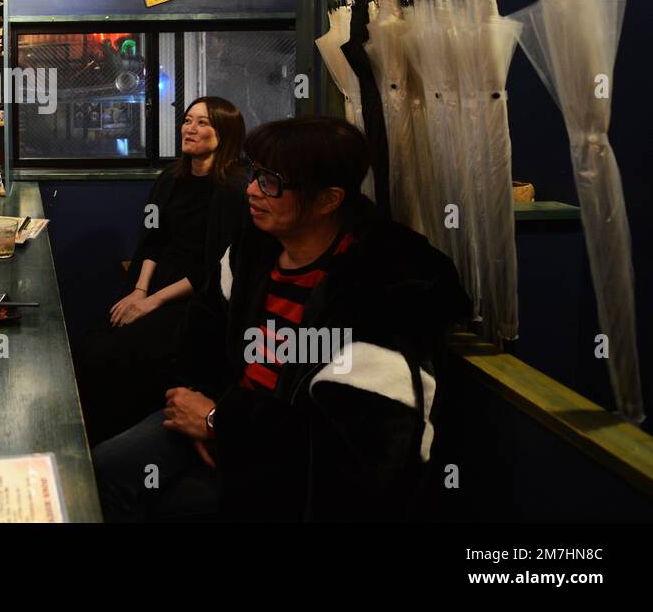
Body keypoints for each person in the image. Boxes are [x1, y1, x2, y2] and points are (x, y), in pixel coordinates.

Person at [94, 116, 469, 522]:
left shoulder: (378, 289)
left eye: (271, 181)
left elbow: (357, 453)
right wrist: (195, 402)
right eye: (255, 172)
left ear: (328, 200)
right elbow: (199, 342)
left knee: (176, 503)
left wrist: (221, 426)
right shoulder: (251, 253)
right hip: (226, 416)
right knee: (101, 467)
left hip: (293, 468)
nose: (252, 189)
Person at [74, 96, 247, 445]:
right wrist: (139, 291)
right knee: (89, 343)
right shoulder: (172, 177)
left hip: (197, 299)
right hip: (156, 283)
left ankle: (109, 445)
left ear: (224, 134)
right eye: (187, 120)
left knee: (112, 356)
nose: (190, 129)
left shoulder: (233, 190)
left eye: (202, 123)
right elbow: (152, 240)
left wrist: (153, 302)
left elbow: (213, 269)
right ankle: (87, 440)